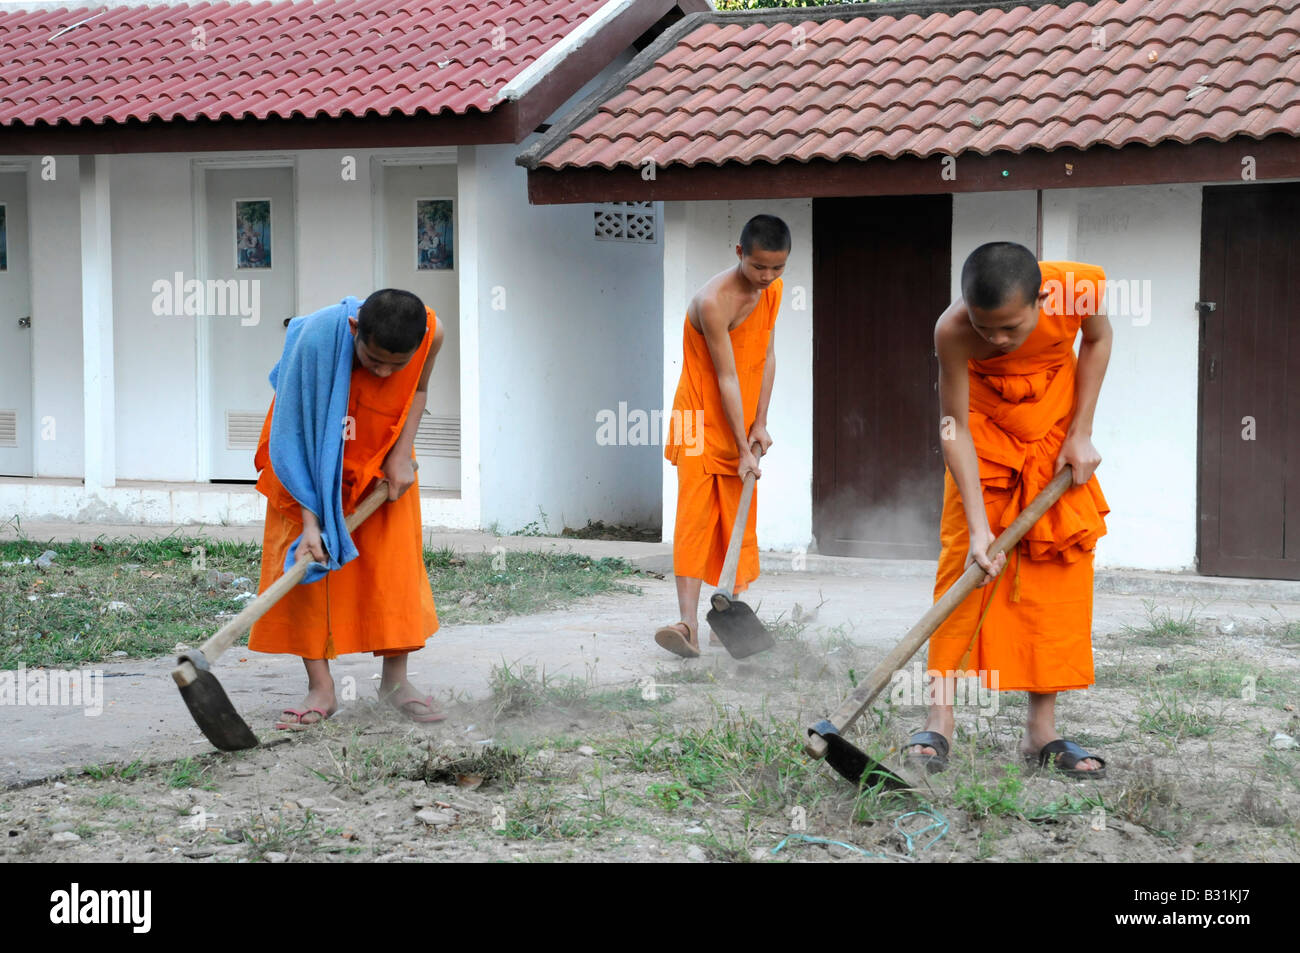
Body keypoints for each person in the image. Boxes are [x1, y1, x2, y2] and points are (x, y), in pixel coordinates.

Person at [905, 242, 1112, 778]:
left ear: (1043, 298)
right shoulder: (951, 331)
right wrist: (978, 529)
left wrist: (1081, 432)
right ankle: (939, 719)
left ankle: (1040, 731)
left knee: (1056, 569)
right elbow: (954, 429)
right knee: (963, 568)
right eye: (985, 327)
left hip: (1053, 433)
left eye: (1010, 329)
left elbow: (1098, 338)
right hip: (985, 438)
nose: (995, 339)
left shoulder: (1077, 288)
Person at [248, 289, 446, 728]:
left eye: (396, 365)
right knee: (305, 568)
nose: (384, 371)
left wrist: (401, 453)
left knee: (392, 572)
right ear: (355, 330)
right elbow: (294, 432)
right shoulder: (316, 340)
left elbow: (420, 389)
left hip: (381, 467)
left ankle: (395, 684)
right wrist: (312, 521)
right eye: (374, 360)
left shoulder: (432, 333)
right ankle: (321, 689)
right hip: (304, 463)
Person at [655, 214, 789, 657]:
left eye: (777, 268)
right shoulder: (714, 300)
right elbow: (726, 377)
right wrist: (739, 446)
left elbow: (767, 355)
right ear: (739, 254)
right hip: (697, 418)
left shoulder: (772, 292)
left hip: (740, 419)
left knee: (735, 517)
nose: (767, 277)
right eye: (758, 268)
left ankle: (724, 617)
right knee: (694, 517)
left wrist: (760, 423)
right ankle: (688, 624)